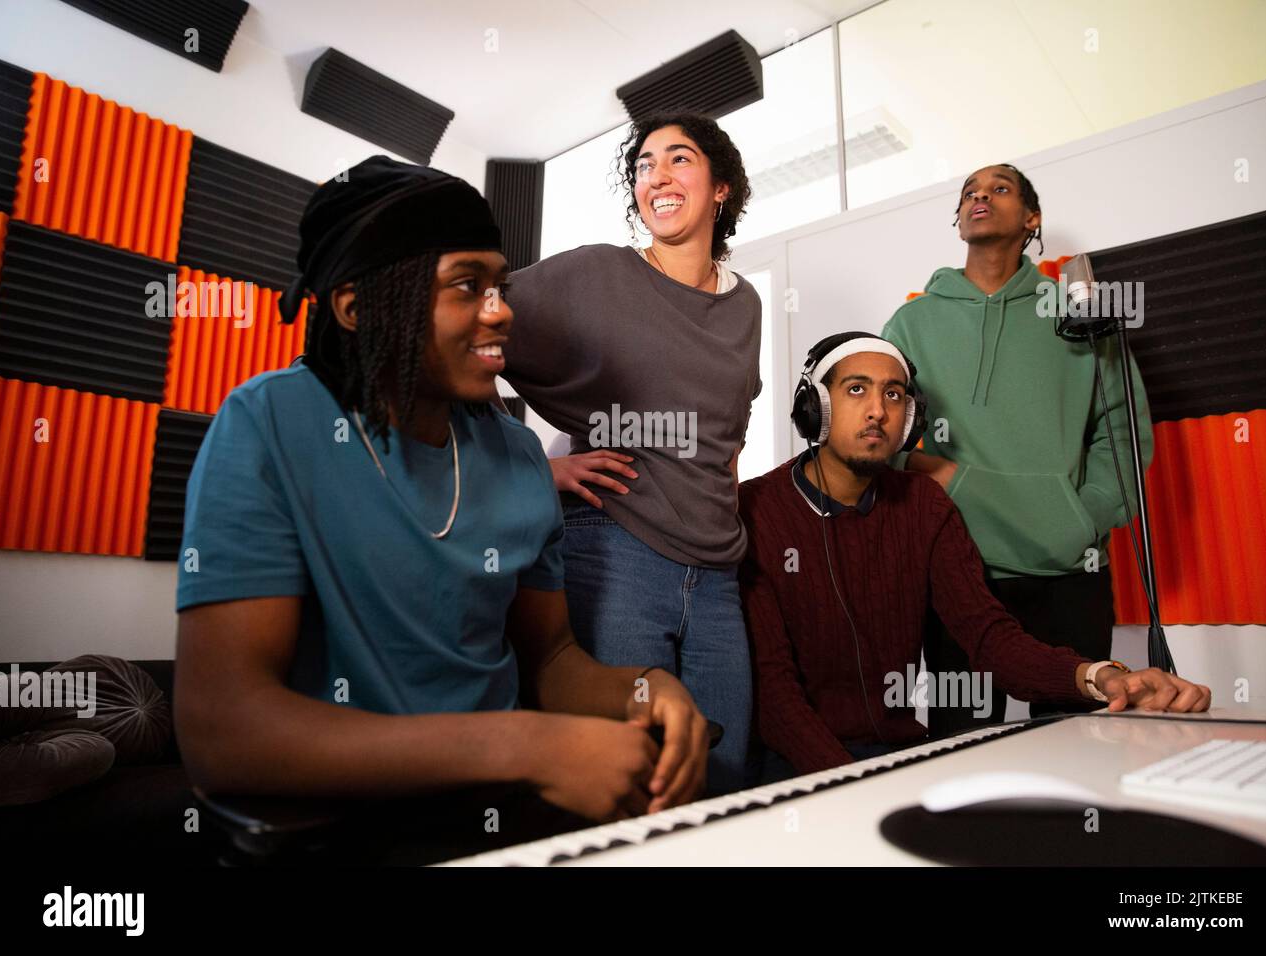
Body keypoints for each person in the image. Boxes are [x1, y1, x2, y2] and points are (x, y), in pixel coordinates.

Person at [173, 157, 709, 860]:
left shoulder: (519, 457)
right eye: (467, 286)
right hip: (337, 833)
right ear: (358, 308)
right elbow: (226, 731)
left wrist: (643, 687)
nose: (502, 311)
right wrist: (525, 744)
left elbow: (549, 657)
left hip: (493, 816)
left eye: (501, 286)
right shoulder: (267, 423)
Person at [738, 333, 1209, 782]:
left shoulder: (924, 505)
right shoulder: (756, 511)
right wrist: (853, 784)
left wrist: (1101, 676)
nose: (878, 411)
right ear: (814, 407)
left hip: (899, 757)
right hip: (792, 767)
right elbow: (775, 696)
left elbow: (990, 639)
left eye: (895, 395)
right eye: (856, 389)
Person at [502, 112, 760, 793]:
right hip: (615, 554)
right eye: (645, 165)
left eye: (679, 160)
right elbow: (467, 328)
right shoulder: (596, 273)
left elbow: (727, 435)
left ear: (721, 189)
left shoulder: (748, 305)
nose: (658, 177)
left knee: (721, 775)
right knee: (635, 779)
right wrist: (538, 468)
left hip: (717, 577)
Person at [882, 163, 1154, 736]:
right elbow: (882, 431)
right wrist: (938, 472)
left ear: (1031, 219)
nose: (980, 196)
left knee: (1079, 742)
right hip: (959, 572)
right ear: (959, 219)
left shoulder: (1078, 316)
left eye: (999, 188)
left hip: (1069, 570)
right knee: (962, 749)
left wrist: (1084, 516)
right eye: (969, 193)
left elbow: (1123, 433)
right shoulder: (911, 323)